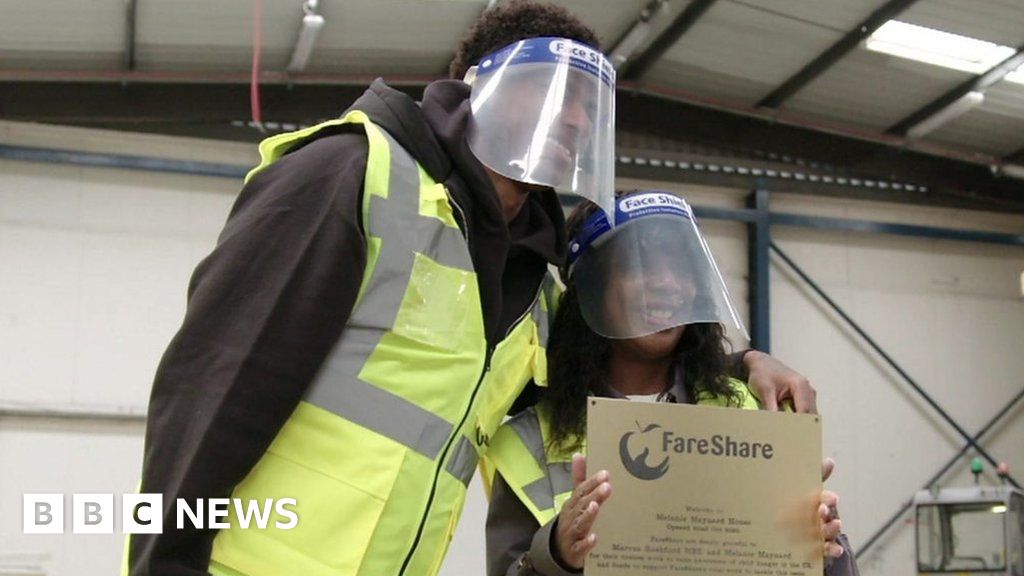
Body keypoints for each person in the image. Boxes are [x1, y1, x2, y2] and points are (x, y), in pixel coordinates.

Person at [127, 3, 819, 575]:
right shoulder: (352, 175)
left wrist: (744, 362)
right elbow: (211, 389)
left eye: (585, 105)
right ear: (476, 89)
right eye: (549, 92)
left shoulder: (531, 290)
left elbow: (613, 357)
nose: (572, 119)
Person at [484, 190, 860, 576]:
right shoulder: (528, 444)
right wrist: (556, 554)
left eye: (682, 268)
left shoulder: (757, 411)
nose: (667, 283)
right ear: (592, 287)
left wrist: (824, 550)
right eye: (640, 265)